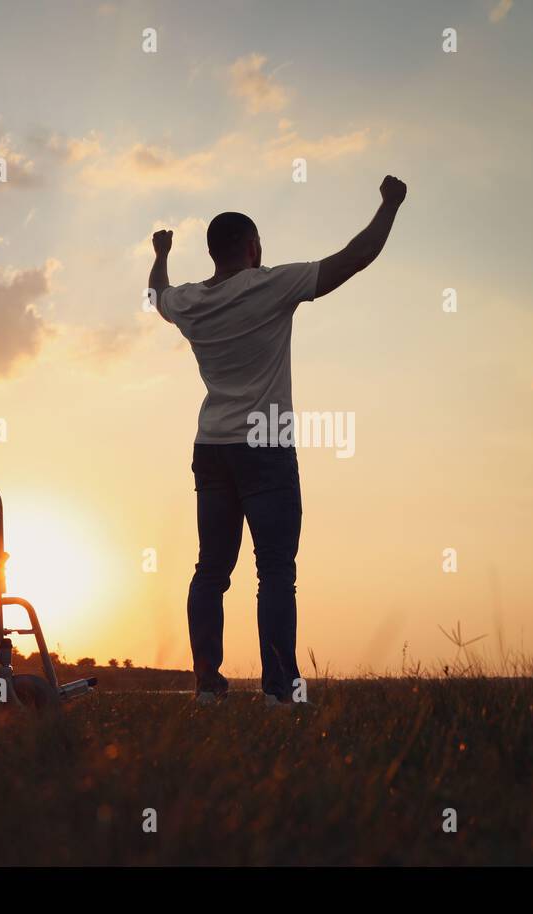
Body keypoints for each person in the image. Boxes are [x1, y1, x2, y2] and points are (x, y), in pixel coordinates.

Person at [149, 174, 408, 706]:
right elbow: (353, 258)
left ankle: (207, 689)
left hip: (210, 447)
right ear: (252, 247)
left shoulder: (191, 303)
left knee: (211, 570)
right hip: (265, 445)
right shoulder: (270, 284)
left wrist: (160, 253)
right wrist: (389, 205)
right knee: (275, 571)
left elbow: (156, 294)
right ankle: (279, 692)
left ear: (214, 252)